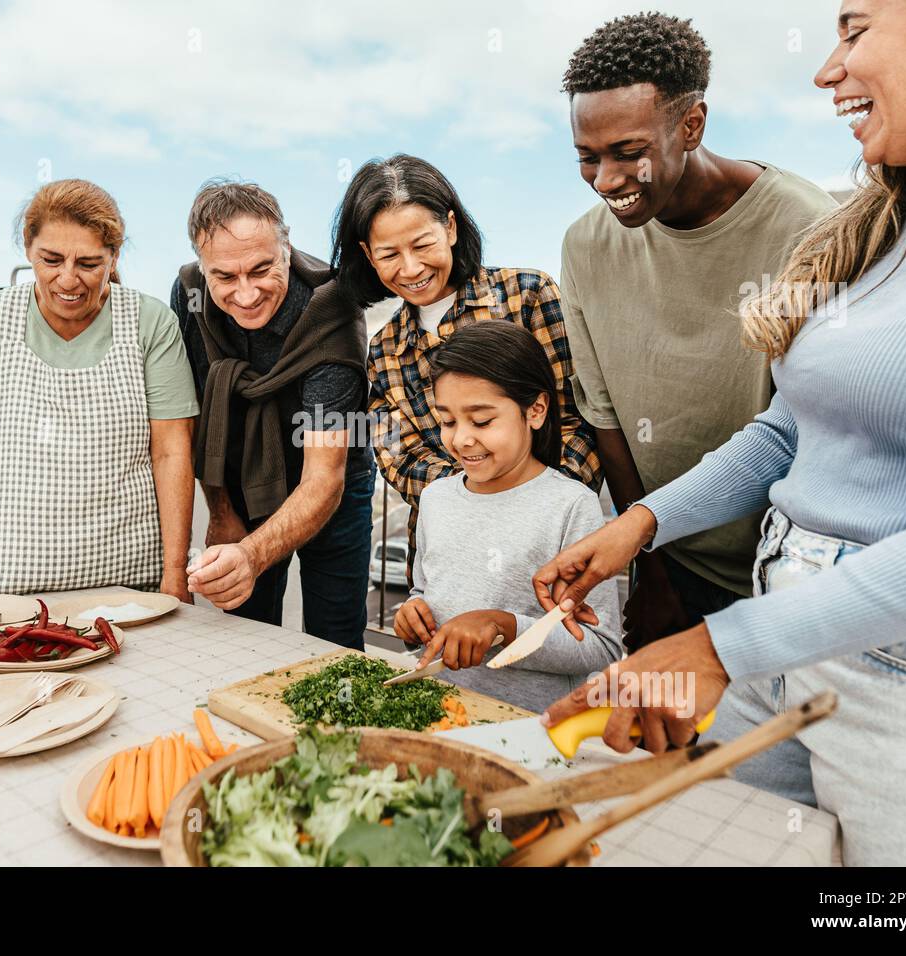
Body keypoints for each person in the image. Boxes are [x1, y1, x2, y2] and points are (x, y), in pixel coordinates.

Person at [534, 0, 906, 865]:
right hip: (785, 631)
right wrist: (637, 528)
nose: (827, 69)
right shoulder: (894, 218)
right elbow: (787, 432)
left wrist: (716, 645)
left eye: (855, 32)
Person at [558, 12, 838, 653]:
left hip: (783, 574)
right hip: (666, 561)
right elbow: (605, 417)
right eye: (587, 157)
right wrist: (650, 564)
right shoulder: (584, 246)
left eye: (629, 153)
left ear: (691, 125)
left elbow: (808, 424)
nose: (606, 181)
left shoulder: (807, 227)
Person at [332, 154, 599, 584]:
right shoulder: (382, 351)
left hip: (549, 552)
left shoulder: (528, 297)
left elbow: (579, 422)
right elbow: (399, 460)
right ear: (367, 255)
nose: (412, 268)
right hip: (444, 564)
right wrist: (473, 498)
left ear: (451, 228)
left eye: (422, 245)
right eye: (389, 254)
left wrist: (529, 507)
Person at [0, 179, 197, 599]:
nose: (68, 279)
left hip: (134, 583)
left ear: (113, 257)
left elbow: (172, 451)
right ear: (28, 248)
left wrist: (174, 573)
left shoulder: (151, 322)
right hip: (15, 585)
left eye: (89, 263)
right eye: (51, 259)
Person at [172, 180, 373, 650]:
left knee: (336, 638)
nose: (246, 293)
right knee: (244, 632)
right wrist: (221, 511)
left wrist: (252, 553)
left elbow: (324, 478)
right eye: (225, 276)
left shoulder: (332, 305)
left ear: (286, 247)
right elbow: (200, 406)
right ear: (203, 266)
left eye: (262, 268)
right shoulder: (189, 293)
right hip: (241, 480)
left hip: (332, 482)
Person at [395, 322, 620, 713]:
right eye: (448, 421)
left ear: (535, 410)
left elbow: (600, 646)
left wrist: (506, 625)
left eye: (481, 421)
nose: (461, 439)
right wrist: (412, 616)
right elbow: (424, 595)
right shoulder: (435, 499)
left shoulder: (570, 506)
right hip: (443, 715)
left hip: (535, 729)